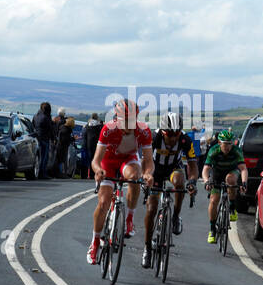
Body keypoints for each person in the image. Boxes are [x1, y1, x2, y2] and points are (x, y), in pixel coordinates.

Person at [87, 100, 153, 265]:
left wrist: (147, 174)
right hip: (108, 162)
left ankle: (129, 218)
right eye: (125, 119)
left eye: (132, 119)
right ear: (117, 118)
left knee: (135, 176)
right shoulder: (108, 129)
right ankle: (95, 243)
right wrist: (98, 171)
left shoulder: (143, 130)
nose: (129, 124)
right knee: (103, 202)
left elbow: (149, 161)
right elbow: (96, 160)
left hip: (128, 160)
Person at [142, 113, 198, 268]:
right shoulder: (154, 138)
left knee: (180, 182)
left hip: (174, 168)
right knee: (152, 208)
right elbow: (143, 161)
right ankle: (147, 247)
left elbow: (193, 165)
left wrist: (192, 182)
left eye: (176, 134)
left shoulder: (185, 140)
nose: (173, 138)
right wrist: (145, 177)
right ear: (163, 132)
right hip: (155, 170)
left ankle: (175, 217)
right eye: (169, 134)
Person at [202, 130, 248, 244]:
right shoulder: (214, 151)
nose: (227, 146)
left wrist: (244, 182)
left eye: (230, 143)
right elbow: (206, 169)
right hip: (217, 174)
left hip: (232, 171)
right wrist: (207, 181)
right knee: (214, 200)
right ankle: (212, 230)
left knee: (230, 180)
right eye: (225, 143)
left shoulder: (236, 151)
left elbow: (243, 169)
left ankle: (232, 207)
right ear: (219, 142)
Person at [32, 101, 53, 178]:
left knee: (39, 156)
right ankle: (42, 173)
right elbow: (50, 128)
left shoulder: (35, 116)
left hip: (37, 137)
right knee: (44, 157)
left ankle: (39, 171)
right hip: (44, 138)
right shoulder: (46, 117)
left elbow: (33, 125)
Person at [82, 113, 101, 180]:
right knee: (94, 160)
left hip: (88, 144)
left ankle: (86, 175)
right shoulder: (98, 126)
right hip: (95, 144)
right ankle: (93, 174)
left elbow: (85, 135)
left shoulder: (87, 125)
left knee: (88, 160)